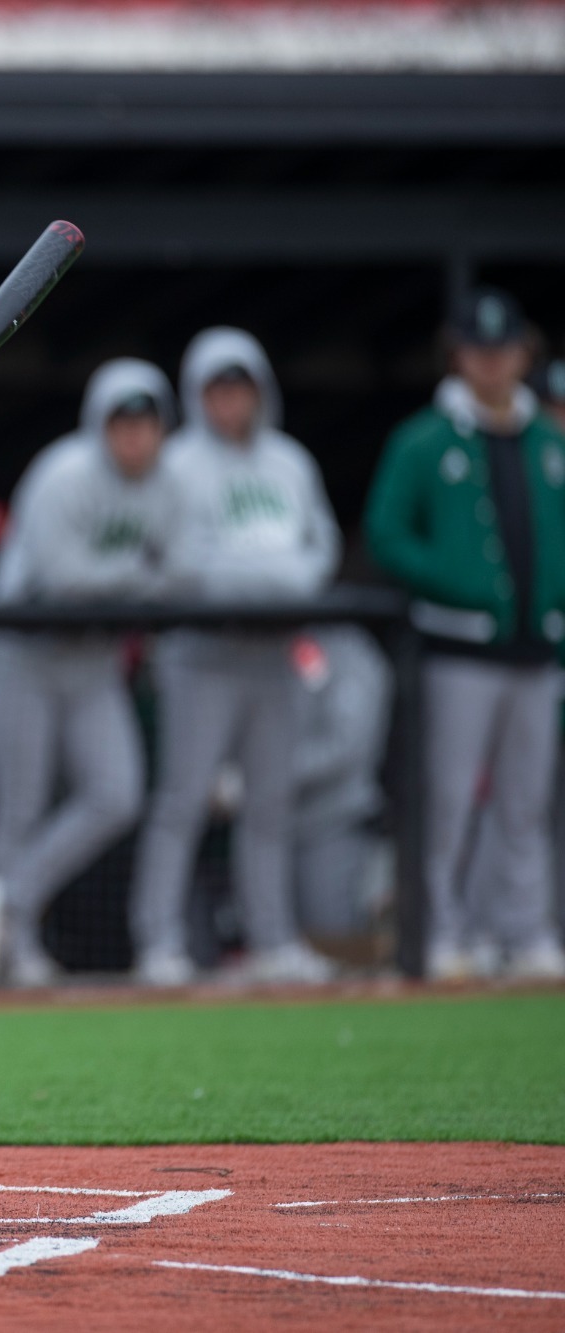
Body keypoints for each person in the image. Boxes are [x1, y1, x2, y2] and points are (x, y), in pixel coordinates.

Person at [131, 327, 342, 986]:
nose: (229, 401)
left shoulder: (290, 462)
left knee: (271, 803)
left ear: (259, 391)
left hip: (273, 653)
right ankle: (158, 943)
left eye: (239, 387)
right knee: (183, 801)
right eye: (216, 389)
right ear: (197, 394)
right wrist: (274, 577)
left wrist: (286, 580)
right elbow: (177, 564)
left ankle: (272, 940)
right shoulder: (176, 464)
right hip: (202, 653)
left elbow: (321, 547)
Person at [365, 287, 565, 981]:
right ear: (456, 356)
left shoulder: (549, 442)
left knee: (526, 802)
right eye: (479, 350)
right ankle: (439, 933)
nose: (492, 363)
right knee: (447, 798)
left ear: (524, 354)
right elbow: (387, 533)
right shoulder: (423, 439)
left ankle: (524, 932)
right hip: (458, 649)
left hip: (536, 648)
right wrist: (457, 581)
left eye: (504, 349)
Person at [0, 358, 181, 987]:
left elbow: (188, 568)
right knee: (21, 804)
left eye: (146, 424)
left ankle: (6, 898)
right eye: (122, 423)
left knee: (118, 792)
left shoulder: (171, 486)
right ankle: (13, 947)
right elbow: (62, 577)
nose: (134, 437)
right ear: (100, 425)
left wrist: (136, 580)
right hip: (21, 651)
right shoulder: (64, 473)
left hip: (91, 658)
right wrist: (143, 576)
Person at [287, 626, 392, 943]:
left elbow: (346, 745)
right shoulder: (274, 644)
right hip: (271, 824)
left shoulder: (351, 652)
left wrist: (263, 776)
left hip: (334, 821)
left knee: (332, 937)